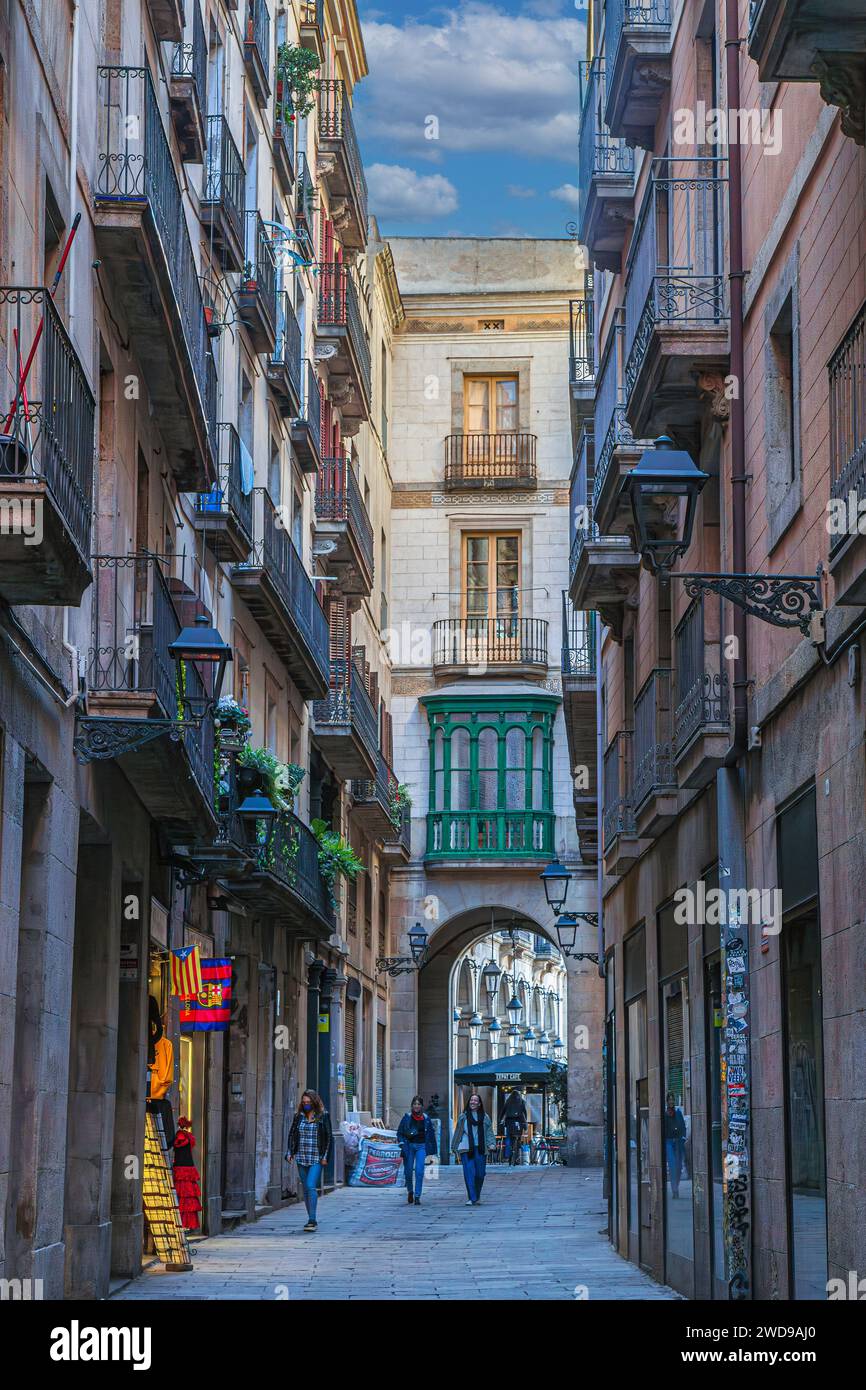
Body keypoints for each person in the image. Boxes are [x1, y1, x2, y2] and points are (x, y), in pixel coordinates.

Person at [286, 1089, 333, 1231]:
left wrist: (325, 1156)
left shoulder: (323, 1116)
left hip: (316, 1158)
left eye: (308, 1102)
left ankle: (312, 1220)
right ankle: (310, 1217)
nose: (306, 1104)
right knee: (306, 1188)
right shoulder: (298, 1116)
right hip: (301, 1156)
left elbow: (329, 1137)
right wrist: (290, 1152)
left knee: (311, 1185)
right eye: (304, 1102)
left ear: (314, 1102)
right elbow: (292, 1134)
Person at [451, 1092, 495, 1205]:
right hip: (466, 1148)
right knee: (469, 1173)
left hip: (480, 1148)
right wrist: (454, 1146)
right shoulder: (463, 1116)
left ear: (479, 1103)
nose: (473, 1102)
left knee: (480, 1173)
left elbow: (489, 1132)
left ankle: (476, 1195)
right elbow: (458, 1132)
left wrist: (491, 1143)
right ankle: (472, 1197)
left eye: (475, 1100)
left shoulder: (485, 1117)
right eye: (471, 1100)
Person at [396, 1095, 438, 1205]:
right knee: (408, 1172)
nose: (416, 1106)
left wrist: (433, 1152)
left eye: (419, 1104)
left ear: (422, 1106)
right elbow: (399, 1132)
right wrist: (401, 1143)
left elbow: (431, 1135)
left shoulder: (426, 1118)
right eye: (414, 1104)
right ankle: (410, 1191)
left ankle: (417, 1196)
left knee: (419, 1171)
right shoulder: (407, 1117)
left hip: (422, 1146)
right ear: (412, 1105)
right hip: (409, 1146)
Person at [664, 1092, 687, 1199]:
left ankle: (676, 1186)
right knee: (672, 1166)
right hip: (669, 1142)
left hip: (678, 1143)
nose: (672, 1101)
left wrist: (683, 1137)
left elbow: (683, 1126)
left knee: (679, 1167)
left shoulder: (678, 1113)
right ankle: (674, 1190)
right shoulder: (665, 1115)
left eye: (673, 1099)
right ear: (667, 1101)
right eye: (670, 1099)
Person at [499, 1088, 527, 1166]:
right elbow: (524, 1113)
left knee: (508, 1138)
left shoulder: (508, 1101)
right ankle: (517, 1156)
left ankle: (508, 1155)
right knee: (517, 1140)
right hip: (519, 1123)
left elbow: (503, 1111)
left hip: (509, 1123)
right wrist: (525, 1124)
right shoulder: (522, 1101)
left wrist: (500, 1120)